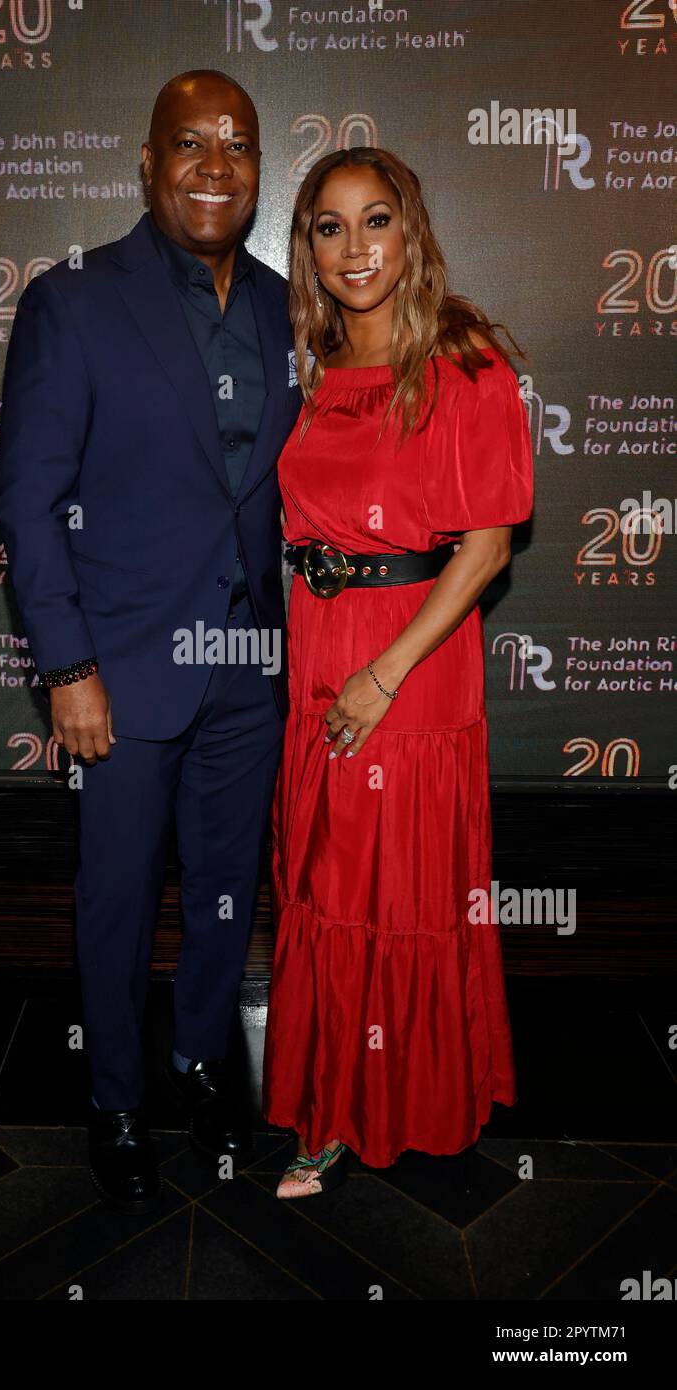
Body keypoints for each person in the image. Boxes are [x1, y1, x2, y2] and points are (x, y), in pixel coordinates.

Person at [0, 70, 301, 1214]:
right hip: (117, 671)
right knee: (118, 896)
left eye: (238, 145)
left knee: (227, 884)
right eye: (190, 143)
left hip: (250, 673)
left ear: (258, 171)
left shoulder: (284, 307)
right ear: (147, 162)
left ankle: (202, 1063)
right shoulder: (73, 299)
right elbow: (29, 502)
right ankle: (117, 1098)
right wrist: (66, 668)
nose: (216, 164)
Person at [261, 146, 534, 1197]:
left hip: (412, 657)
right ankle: (328, 1107)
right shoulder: (319, 366)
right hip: (320, 647)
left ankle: (413, 1096)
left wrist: (384, 673)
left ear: (409, 230)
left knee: (404, 881)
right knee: (325, 880)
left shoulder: (465, 362)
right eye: (330, 227)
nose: (355, 247)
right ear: (309, 248)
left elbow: (486, 547)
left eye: (376, 221)